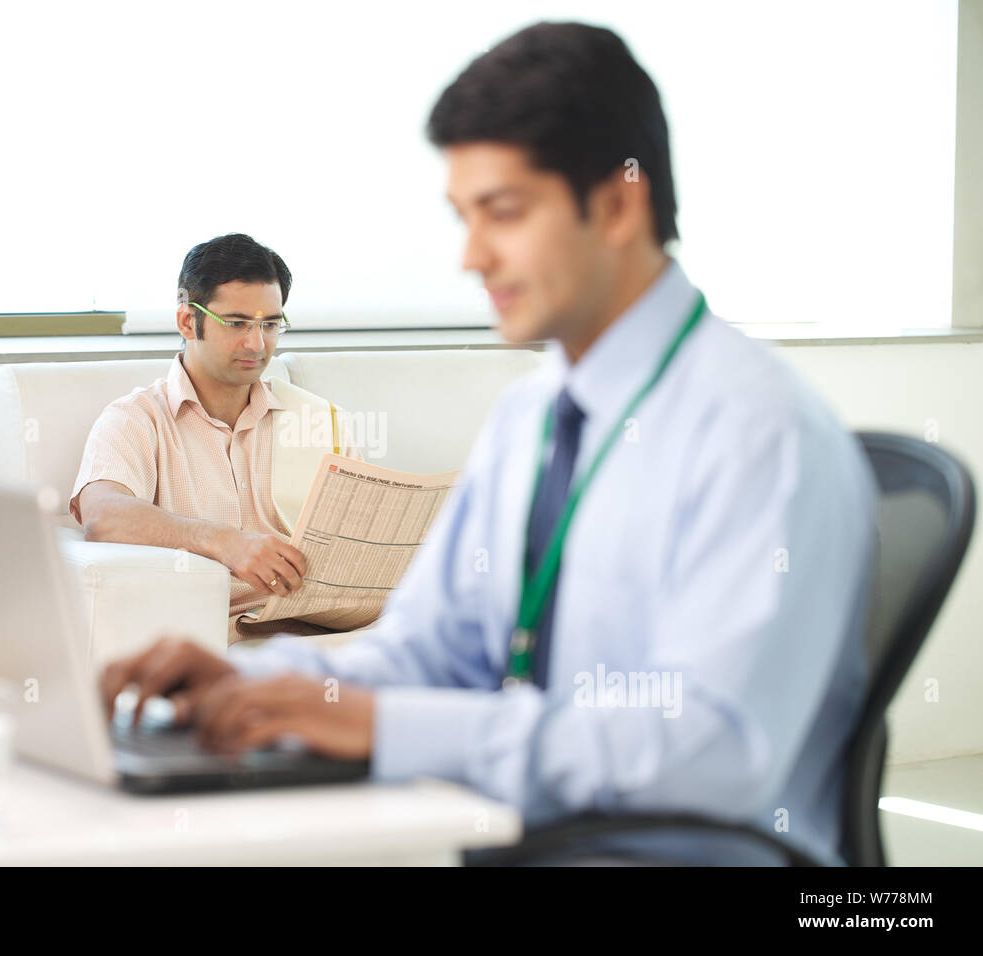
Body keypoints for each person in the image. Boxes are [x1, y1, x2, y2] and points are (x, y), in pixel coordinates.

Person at [98, 22, 877, 865]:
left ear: (618, 203)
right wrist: (245, 686)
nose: (471, 256)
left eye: (502, 214)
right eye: (462, 217)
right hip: (500, 835)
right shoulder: (531, 420)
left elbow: (709, 756)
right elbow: (431, 651)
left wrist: (388, 729)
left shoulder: (760, 433)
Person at [70, 233, 364, 642]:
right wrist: (224, 543)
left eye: (270, 324)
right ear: (188, 321)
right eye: (238, 323)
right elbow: (103, 515)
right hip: (225, 641)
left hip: (339, 632)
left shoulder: (317, 420)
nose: (257, 343)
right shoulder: (138, 419)